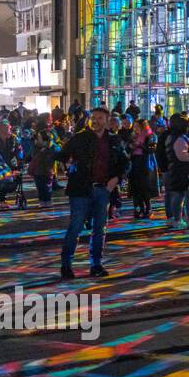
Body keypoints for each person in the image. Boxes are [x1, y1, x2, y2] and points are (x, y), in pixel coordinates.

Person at [56, 108, 128, 279]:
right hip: (81, 189)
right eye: (93, 118)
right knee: (76, 227)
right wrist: (70, 166)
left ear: (107, 120)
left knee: (99, 229)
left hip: (103, 189)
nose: (95, 121)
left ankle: (96, 264)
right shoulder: (80, 137)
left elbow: (124, 162)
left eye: (100, 118)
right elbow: (62, 154)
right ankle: (66, 265)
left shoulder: (113, 140)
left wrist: (116, 179)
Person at [164, 114, 189, 229]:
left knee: (179, 195)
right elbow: (182, 156)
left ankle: (178, 219)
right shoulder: (180, 139)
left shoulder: (172, 137)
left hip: (178, 170)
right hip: (186, 171)